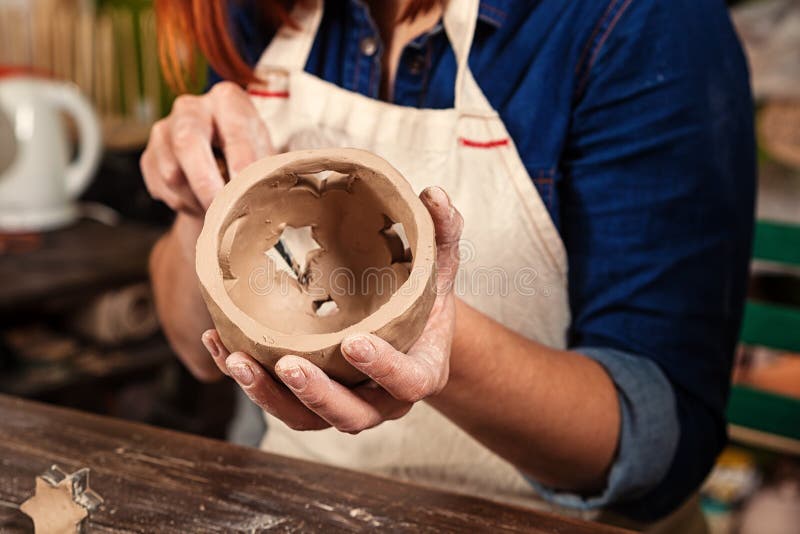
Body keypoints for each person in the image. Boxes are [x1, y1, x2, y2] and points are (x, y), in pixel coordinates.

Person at [142, 0, 755, 527]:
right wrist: (202, 202)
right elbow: (196, 350)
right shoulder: (255, 12)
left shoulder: (640, 21)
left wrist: (421, 330)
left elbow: (661, 450)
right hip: (300, 501)